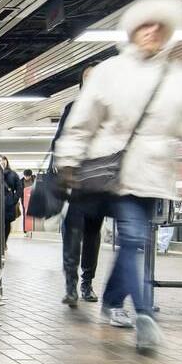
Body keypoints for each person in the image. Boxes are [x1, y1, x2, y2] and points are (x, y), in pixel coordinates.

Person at [55, 0, 182, 350]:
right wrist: (68, 160)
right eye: (144, 26)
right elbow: (82, 123)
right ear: (131, 31)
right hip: (110, 172)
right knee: (132, 239)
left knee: (134, 242)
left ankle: (112, 302)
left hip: (153, 174)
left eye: (158, 27)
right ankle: (144, 315)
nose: (151, 32)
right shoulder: (109, 73)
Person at [54, 65, 112, 307]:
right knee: (72, 232)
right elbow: (59, 139)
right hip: (76, 182)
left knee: (91, 234)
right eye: (87, 78)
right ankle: (71, 286)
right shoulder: (72, 109)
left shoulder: (112, 110)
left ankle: (87, 283)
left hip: (98, 182)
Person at [1, 155, 23, 248]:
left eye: (3, 160)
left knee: (7, 222)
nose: (2, 162)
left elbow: (19, 188)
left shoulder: (13, 174)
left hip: (8, 201)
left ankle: (4, 242)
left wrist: (14, 199)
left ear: (6, 161)